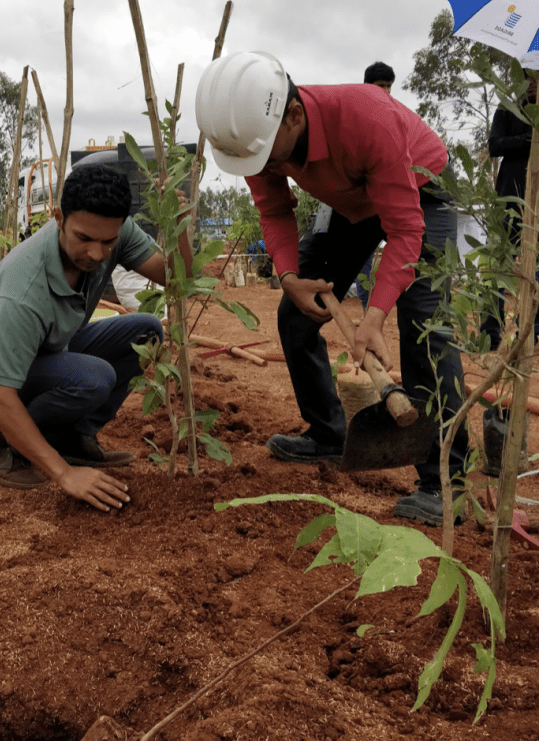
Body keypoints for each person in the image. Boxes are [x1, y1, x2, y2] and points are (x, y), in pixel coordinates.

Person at [196, 51, 470, 526]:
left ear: (295, 116)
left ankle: (446, 481)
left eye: (269, 158)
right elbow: (276, 212)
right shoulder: (259, 138)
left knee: (426, 327)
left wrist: (374, 315)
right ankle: (327, 433)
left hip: (422, 188)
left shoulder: (368, 118)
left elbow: (406, 230)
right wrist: (288, 279)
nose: (264, 167)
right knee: (294, 313)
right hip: (354, 198)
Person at [0, 164, 192, 512]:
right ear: (59, 217)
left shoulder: (114, 230)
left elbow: (175, 279)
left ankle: (74, 436)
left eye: (107, 242)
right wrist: (64, 474)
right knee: (93, 378)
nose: (96, 253)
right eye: (84, 239)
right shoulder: (24, 286)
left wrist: (179, 223)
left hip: (50, 350)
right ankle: (2, 440)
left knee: (146, 332)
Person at [479, 72, 539, 349]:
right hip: (509, 198)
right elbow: (494, 145)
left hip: (537, 204)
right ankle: (489, 334)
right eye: (528, 77)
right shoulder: (506, 108)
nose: (533, 83)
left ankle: (533, 334)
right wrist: (529, 139)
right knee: (496, 264)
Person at [354, 62, 396, 309]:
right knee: (363, 264)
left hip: (390, 201)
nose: (386, 92)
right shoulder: (357, 118)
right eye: (381, 86)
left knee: (405, 253)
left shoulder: (396, 116)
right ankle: (366, 309)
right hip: (365, 204)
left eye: (389, 87)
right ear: (367, 87)